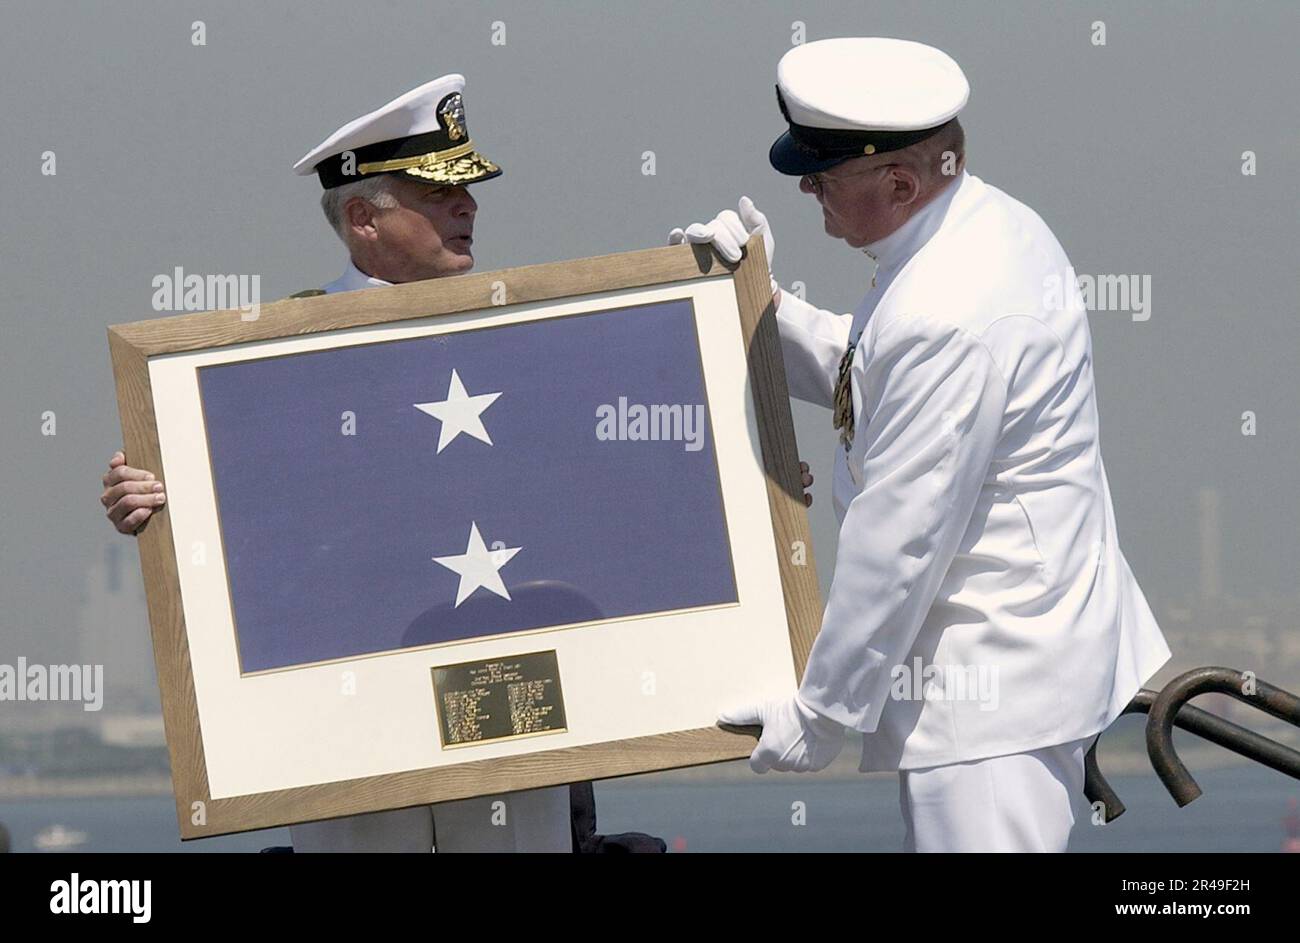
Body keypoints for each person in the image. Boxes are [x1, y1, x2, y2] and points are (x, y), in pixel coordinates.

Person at [100, 74, 676, 852]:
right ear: (363, 217)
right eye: (438, 193)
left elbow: (617, 488)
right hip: (349, 721)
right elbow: (244, 539)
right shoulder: (269, 362)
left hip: (509, 718)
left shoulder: (534, 341)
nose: (468, 206)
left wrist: (746, 460)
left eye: (467, 191)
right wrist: (154, 503)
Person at [673, 37, 1171, 852]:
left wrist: (820, 713)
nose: (806, 188)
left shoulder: (950, 303)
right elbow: (873, 375)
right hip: (1004, 667)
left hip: (990, 696)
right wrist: (752, 301)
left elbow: (900, 534)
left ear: (900, 182)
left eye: (822, 176)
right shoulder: (973, 231)